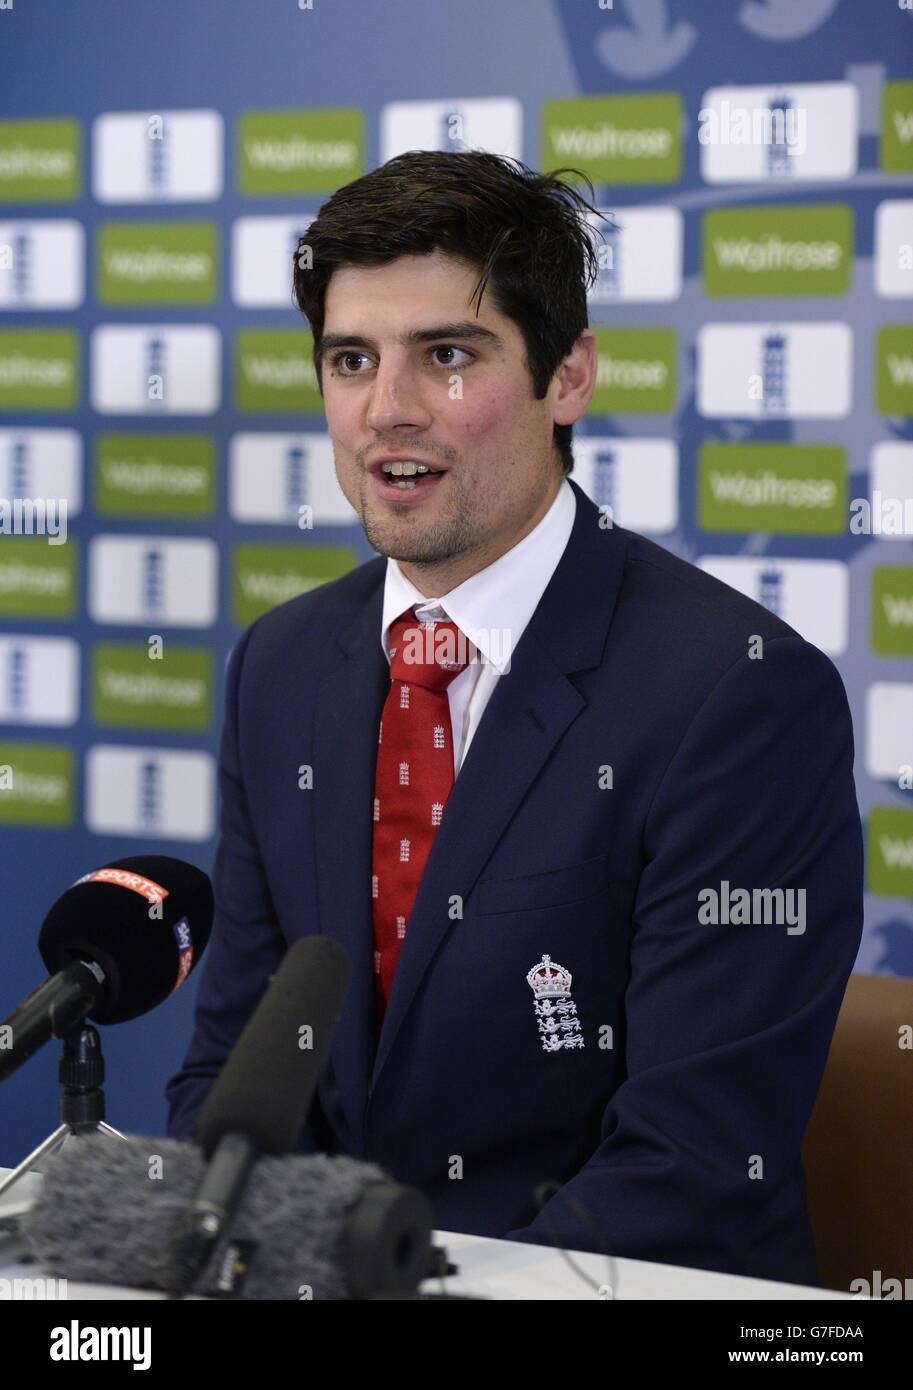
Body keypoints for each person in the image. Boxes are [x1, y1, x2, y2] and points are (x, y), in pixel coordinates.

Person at [166, 151, 863, 1286]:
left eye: (447, 355)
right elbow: (233, 1082)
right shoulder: (282, 665)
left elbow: (687, 1168)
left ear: (568, 375)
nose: (387, 410)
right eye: (351, 359)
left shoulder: (736, 692)